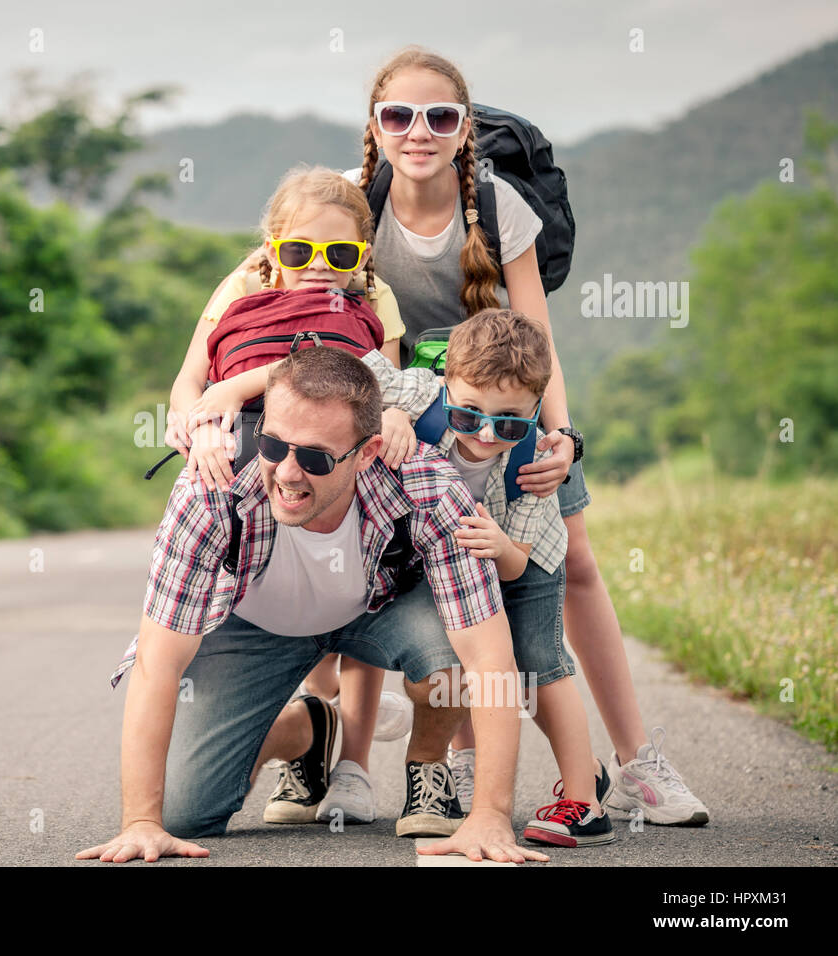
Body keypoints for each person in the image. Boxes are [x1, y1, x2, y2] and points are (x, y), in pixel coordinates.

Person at [202, 44, 709, 826]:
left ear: (465, 127)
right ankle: (356, 770)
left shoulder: (496, 203)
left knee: (567, 565)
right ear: (375, 124)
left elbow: (537, 336)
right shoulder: (351, 196)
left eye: (440, 116)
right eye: (398, 115)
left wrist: (562, 436)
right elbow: (257, 274)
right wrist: (191, 389)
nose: (419, 131)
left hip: (497, 406)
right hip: (393, 403)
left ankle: (638, 762)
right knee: (379, 569)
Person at [79, 346, 550, 864]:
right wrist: (141, 822)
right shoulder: (208, 488)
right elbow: (157, 662)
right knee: (184, 812)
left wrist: (492, 816)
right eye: (275, 445)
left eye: (317, 458)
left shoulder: (431, 485)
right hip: (254, 625)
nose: (287, 472)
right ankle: (306, 729)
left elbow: (491, 662)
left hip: (374, 610)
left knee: (455, 661)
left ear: (368, 452)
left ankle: (428, 759)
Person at [164, 166, 417, 824]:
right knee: (185, 812)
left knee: (353, 571)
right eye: (298, 250)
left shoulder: (371, 296)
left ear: (362, 256)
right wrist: (196, 423)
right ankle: (310, 725)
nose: (317, 267)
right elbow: (192, 381)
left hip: (337, 489)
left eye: (340, 254)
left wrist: (243, 384)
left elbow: (370, 380)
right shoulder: (243, 285)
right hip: (259, 495)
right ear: (272, 246)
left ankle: (359, 762)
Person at [363, 308, 615, 846]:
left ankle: (583, 798)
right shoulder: (420, 396)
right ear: (444, 385)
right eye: (467, 414)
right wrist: (387, 413)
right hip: (455, 553)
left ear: (535, 412)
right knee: (469, 656)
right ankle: (481, 766)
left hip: (525, 553)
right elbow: (348, 373)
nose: (483, 432)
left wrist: (501, 547)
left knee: (540, 661)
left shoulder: (533, 458)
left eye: (508, 422)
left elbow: (518, 561)